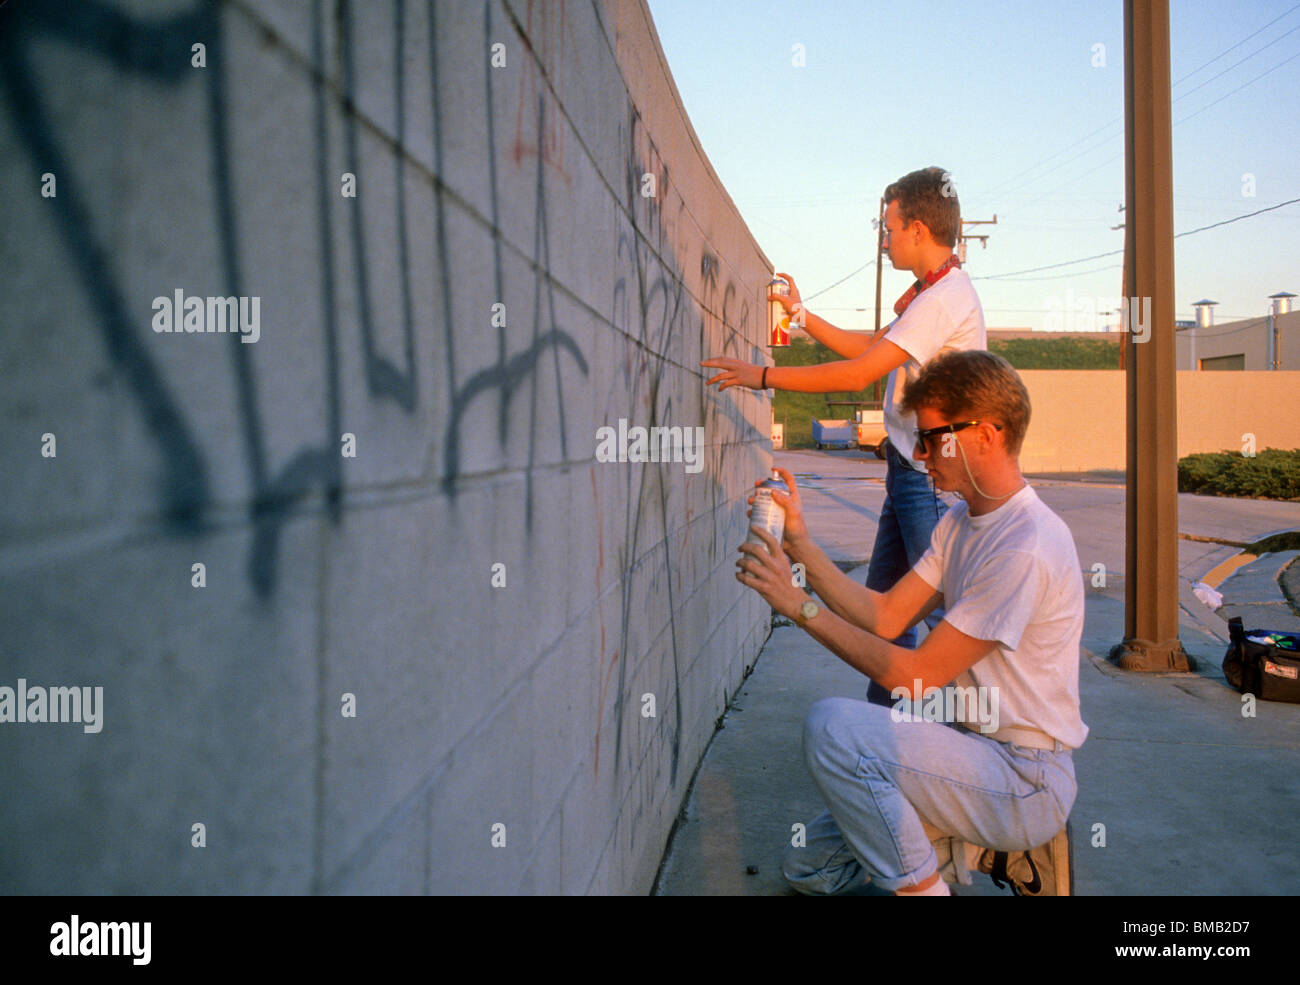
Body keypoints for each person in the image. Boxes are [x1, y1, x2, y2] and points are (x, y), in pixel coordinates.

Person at [734, 350, 1088, 896]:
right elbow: (886, 614)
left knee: (833, 728)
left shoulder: (1025, 546)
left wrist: (799, 606)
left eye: (931, 438)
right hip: (970, 753)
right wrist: (800, 542)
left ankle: (941, 879)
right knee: (812, 870)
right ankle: (988, 849)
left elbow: (915, 678)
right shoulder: (961, 521)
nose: (920, 454)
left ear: (987, 434)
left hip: (1023, 777)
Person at [701, 166, 986, 707]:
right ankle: (883, 735)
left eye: (890, 227)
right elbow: (869, 349)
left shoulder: (943, 299)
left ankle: (981, 744)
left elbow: (861, 373)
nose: (885, 240)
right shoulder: (933, 295)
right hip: (909, 474)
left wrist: (760, 376)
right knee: (885, 615)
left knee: (949, 621)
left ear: (919, 229)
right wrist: (802, 318)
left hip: (927, 481)